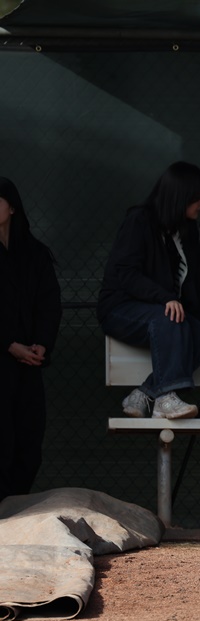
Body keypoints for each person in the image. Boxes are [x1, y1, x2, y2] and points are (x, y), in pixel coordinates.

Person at [98, 161, 200, 420]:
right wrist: (164, 297)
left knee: (199, 340)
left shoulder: (187, 229)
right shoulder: (139, 221)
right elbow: (126, 273)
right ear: (181, 197)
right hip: (122, 308)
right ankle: (165, 399)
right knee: (170, 318)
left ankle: (143, 394)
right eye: (197, 198)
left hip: (161, 313)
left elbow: (193, 279)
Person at [0, 177, 62, 502]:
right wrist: (8, 344)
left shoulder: (34, 254)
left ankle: (13, 506)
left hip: (28, 365)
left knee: (28, 438)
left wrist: (41, 343)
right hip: (3, 359)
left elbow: (49, 303)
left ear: (11, 207)